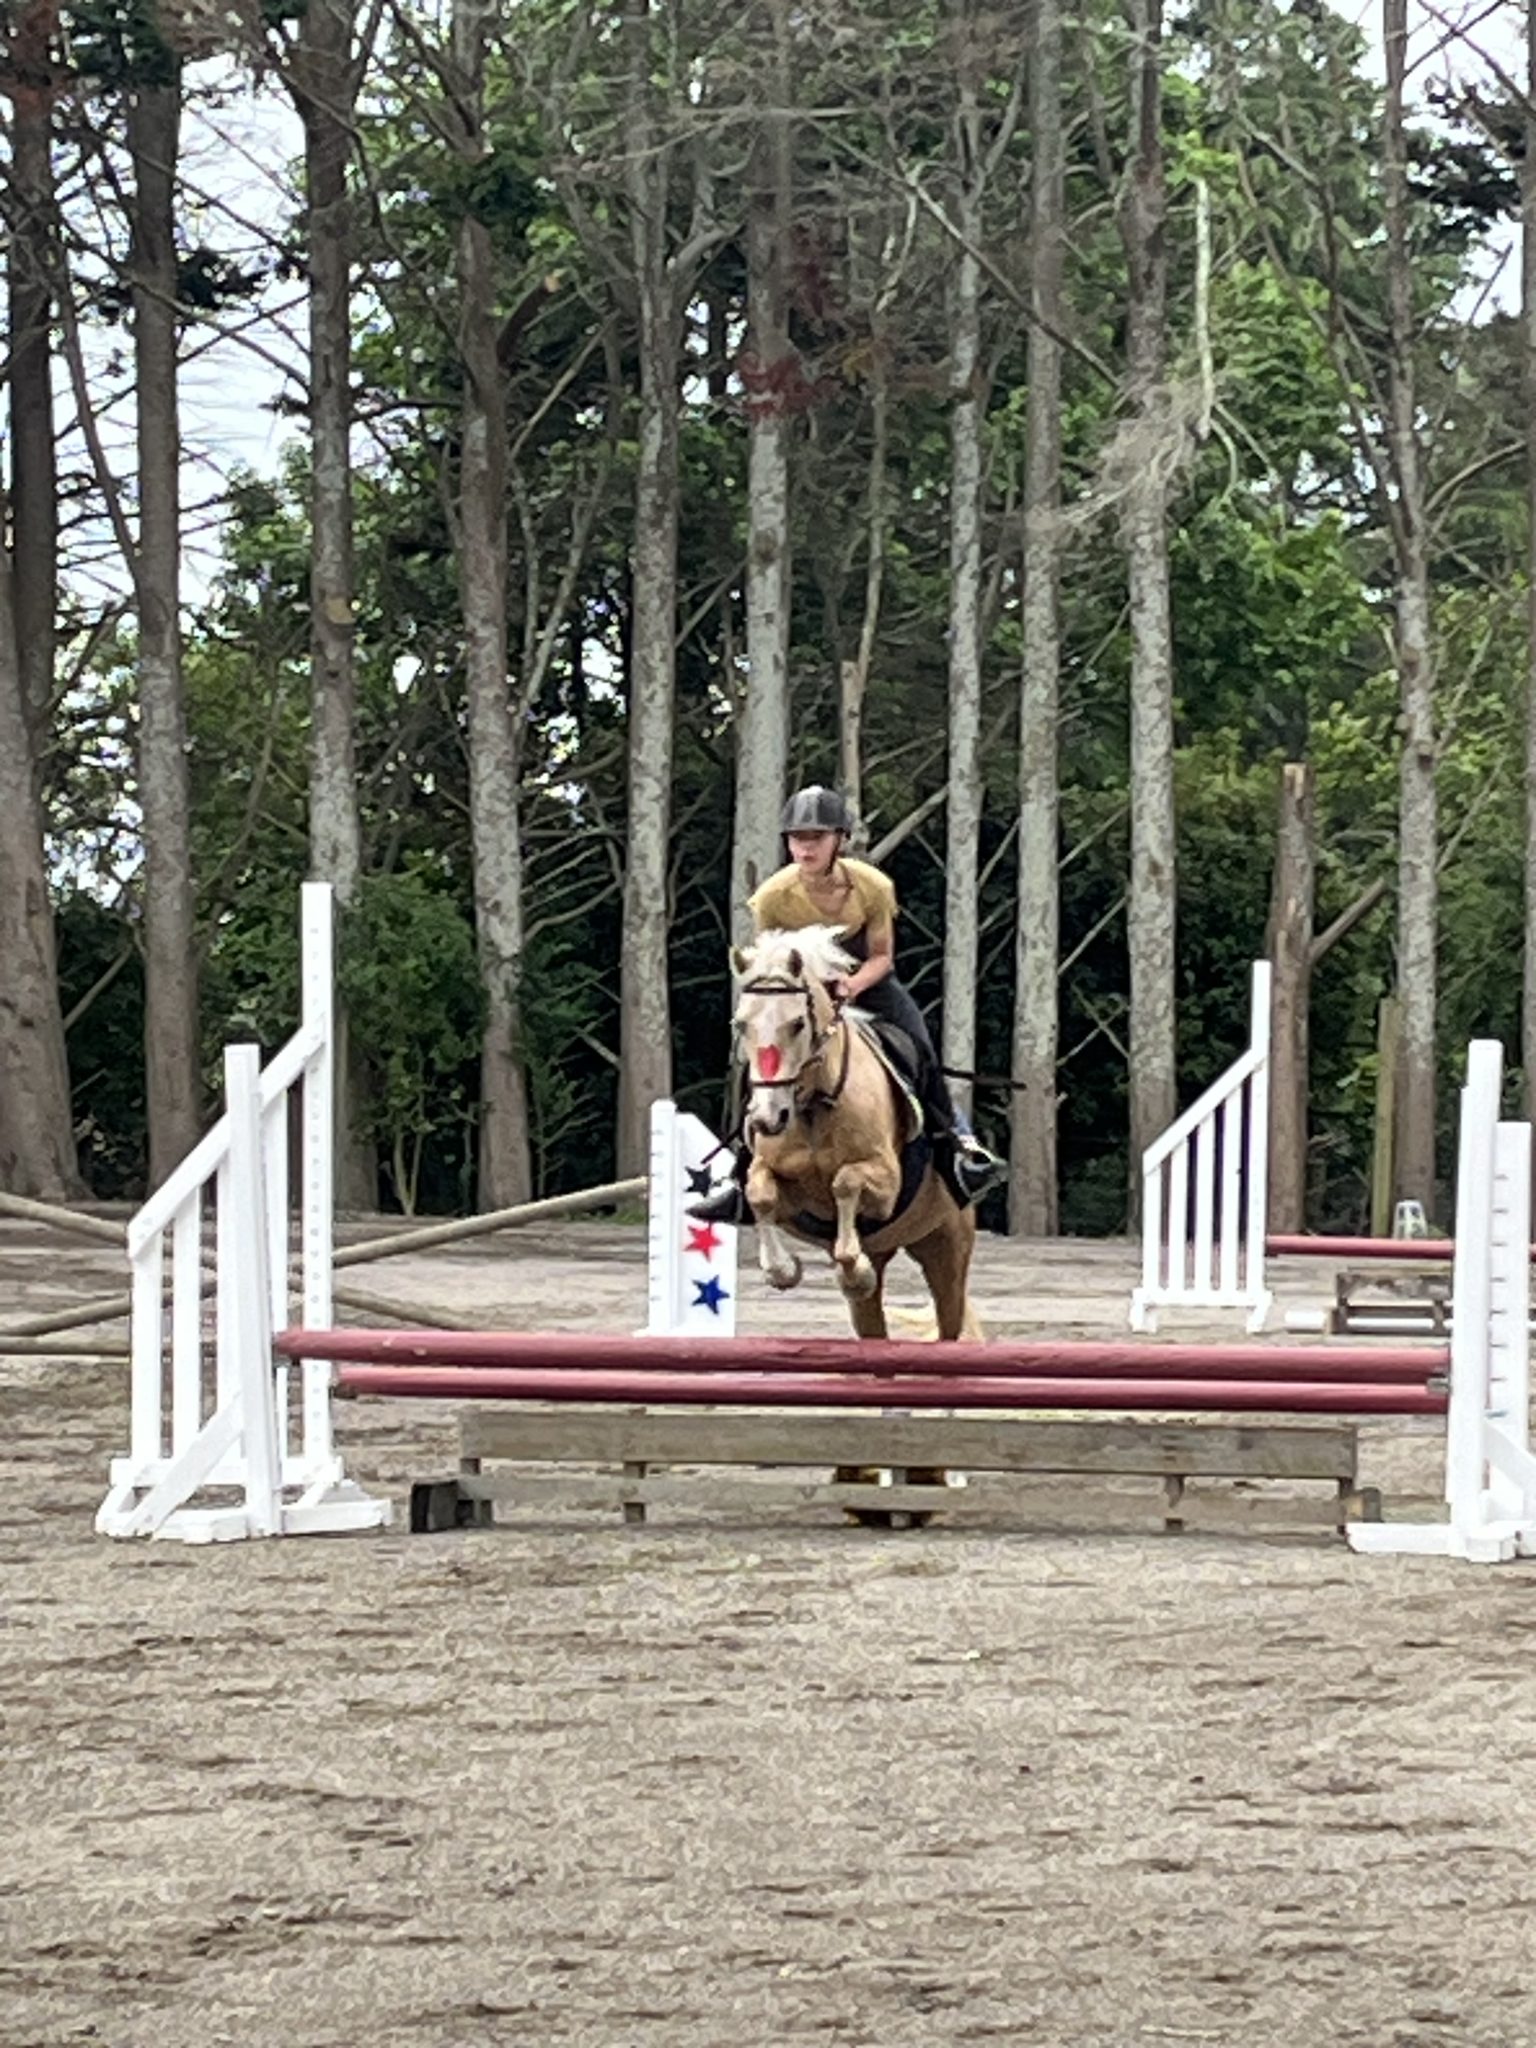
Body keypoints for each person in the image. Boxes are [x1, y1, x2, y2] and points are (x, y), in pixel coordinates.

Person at [690, 784, 1006, 1223]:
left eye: (816, 838)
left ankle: (960, 1150)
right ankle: (740, 1173)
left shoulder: (871, 886)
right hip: (797, 993)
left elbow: (882, 957)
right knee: (756, 1063)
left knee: (920, 1050)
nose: (805, 848)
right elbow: (769, 962)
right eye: (797, 838)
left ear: (839, 840)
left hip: (866, 983)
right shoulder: (772, 897)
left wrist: (850, 986)